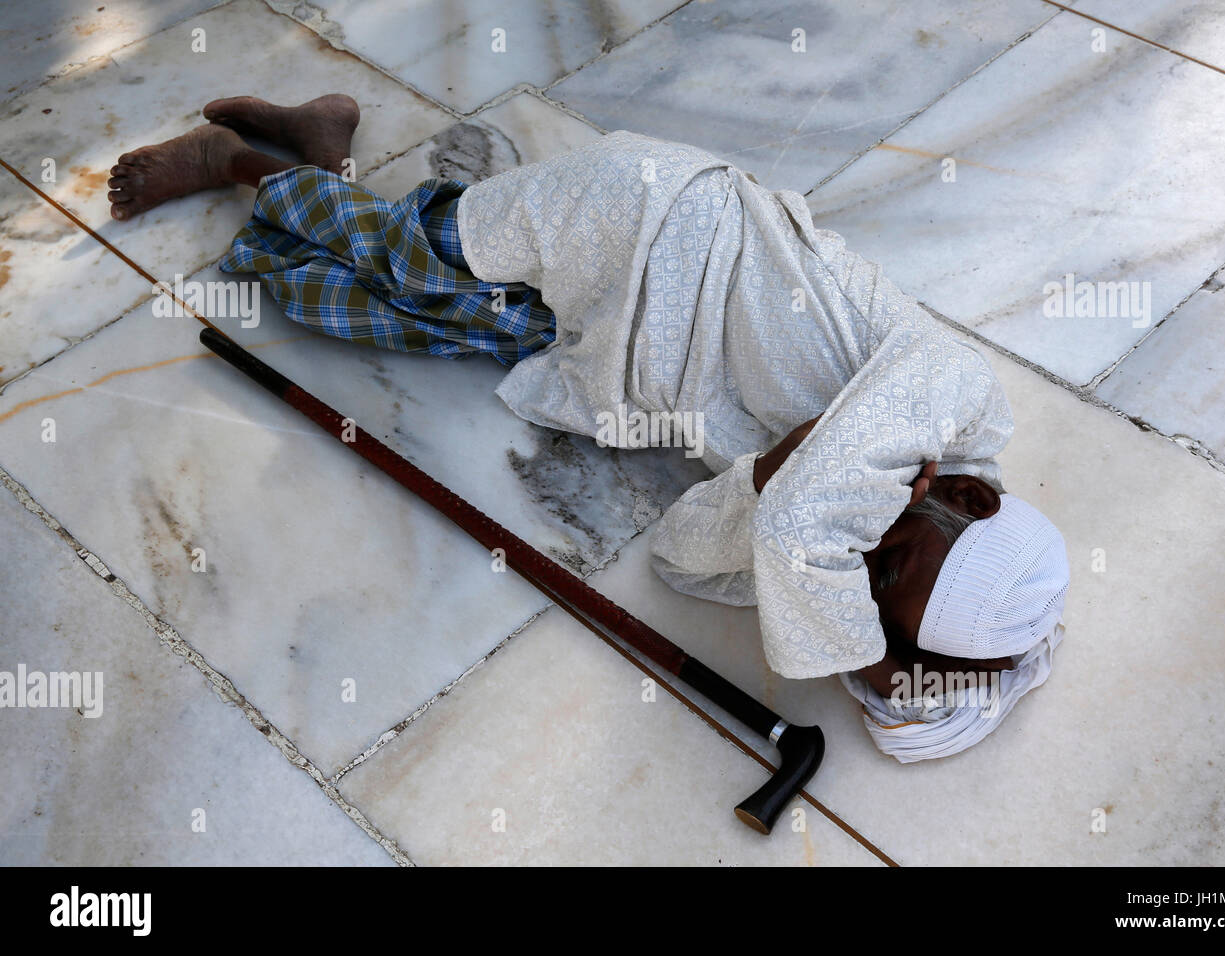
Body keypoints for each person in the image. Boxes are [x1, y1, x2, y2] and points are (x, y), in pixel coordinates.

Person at [107, 94, 1069, 762]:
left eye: (872, 587)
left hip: (620, 356)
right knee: (413, 261)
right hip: (653, 222)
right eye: (897, 563)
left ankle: (316, 148)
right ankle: (233, 160)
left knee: (354, 312)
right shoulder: (958, 393)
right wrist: (866, 644)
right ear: (969, 494)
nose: (865, 560)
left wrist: (768, 485)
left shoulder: (828, 545)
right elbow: (792, 538)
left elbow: (687, 559)